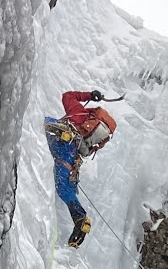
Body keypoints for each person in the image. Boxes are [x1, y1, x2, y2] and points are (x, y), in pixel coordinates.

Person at [44, 88, 118, 247]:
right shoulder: (93, 137)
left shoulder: (79, 112)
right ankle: (79, 217)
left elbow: (67, 96)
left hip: (62, 143)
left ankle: (61, 131)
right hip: (71, 157)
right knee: (63, 187)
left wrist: (89, 96)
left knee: (40, 122)